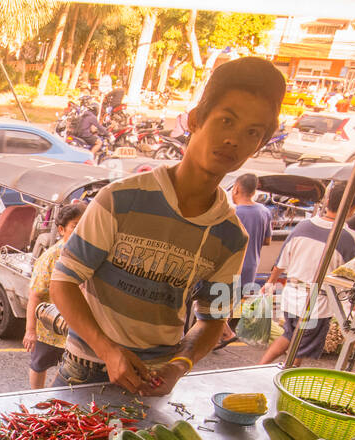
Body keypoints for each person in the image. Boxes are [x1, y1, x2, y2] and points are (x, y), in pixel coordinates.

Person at [49, 56, 286, 394]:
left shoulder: (232, 236)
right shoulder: (120, 199)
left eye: (252, 132)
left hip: (155, 378)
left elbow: (213, 319)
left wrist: (180, 365)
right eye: (226, 120)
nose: (234, 140)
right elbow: (63, 283)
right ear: (195, 120)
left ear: (260, 145)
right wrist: (108, 350)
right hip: (85, 369)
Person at [258, 182, 355, 365]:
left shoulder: (302, 226)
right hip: (316, 303)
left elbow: (281, 261)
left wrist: (270, 283)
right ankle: (281, 378)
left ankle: (260, 369)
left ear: (327, 201)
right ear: (353, 208)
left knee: (290, 335)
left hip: (291, 295)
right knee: (300, 347)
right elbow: (354, 275)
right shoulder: (349, 237)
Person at [24, 202, 87, 389]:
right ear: (61, 229)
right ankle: (36, 399)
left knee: (71, 369)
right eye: (75, 226)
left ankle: (53, 400)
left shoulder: (88, 255)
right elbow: (35, 296)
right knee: (39, 365)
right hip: (49, 329)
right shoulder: (51, 257)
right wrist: (30, 331)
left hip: (74, 329)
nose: (81, 231)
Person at [221, 171, 272, 345]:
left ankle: (222, 335)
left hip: (231, 266)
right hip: (251, 267)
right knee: (234, 304)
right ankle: (227, 333)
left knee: (218, 305)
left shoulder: (232, 212)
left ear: (235, 189)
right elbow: (267, 240)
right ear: (254, 191)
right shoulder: (265, 212)